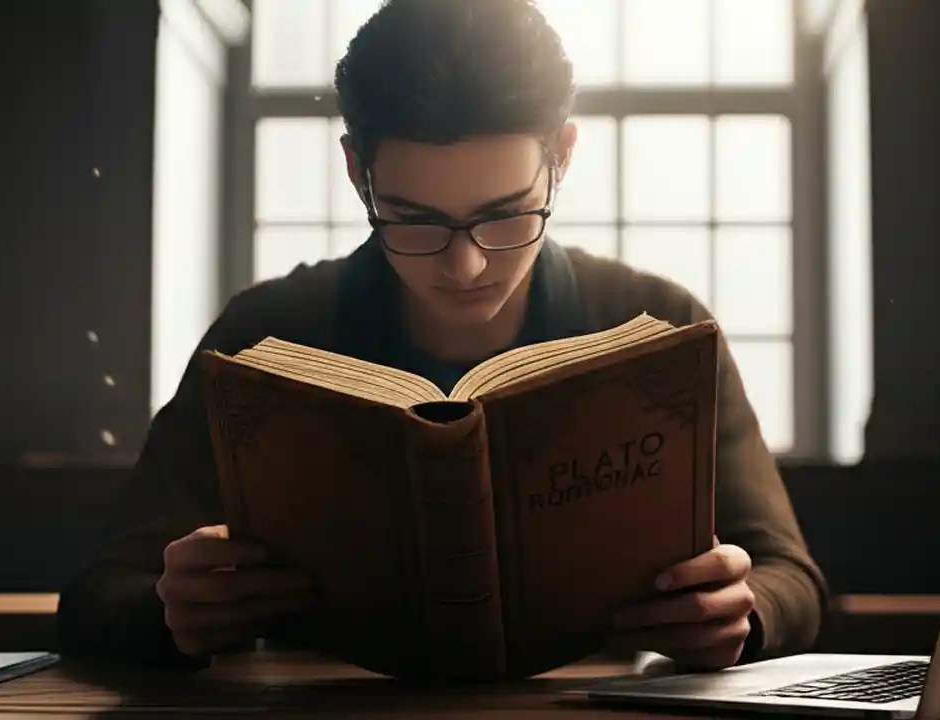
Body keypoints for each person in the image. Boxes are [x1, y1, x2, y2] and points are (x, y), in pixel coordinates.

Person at [57, 0, 826, 674]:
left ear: (561, 157)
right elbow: (98, 592)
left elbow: (792, 575)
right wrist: (173, 610)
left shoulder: (658, 322)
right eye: (415, 219)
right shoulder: (266, 335)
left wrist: (741, 609)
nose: (466, 265)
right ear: (358, 174)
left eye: (504, 214)